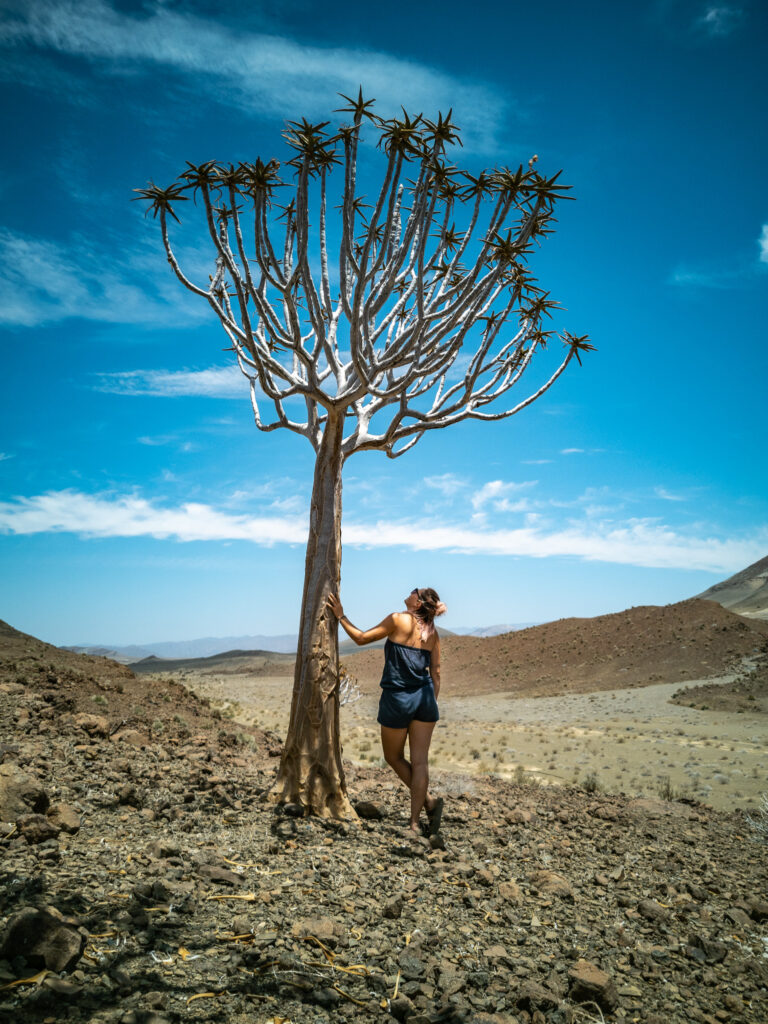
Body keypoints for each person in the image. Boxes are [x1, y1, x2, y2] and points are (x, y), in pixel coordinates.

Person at [326, 587, 446, 836]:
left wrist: (340, 616)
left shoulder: (397, 619)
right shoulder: (432, 633)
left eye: (414, 592)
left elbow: (361, 638)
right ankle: (417, 821)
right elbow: (436, 673)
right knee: (420, 762)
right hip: (425, 698)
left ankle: (428, 805)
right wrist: (429, 702)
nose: (409, 593)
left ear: (418, 603)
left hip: (398, 698)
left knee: (393, 757)